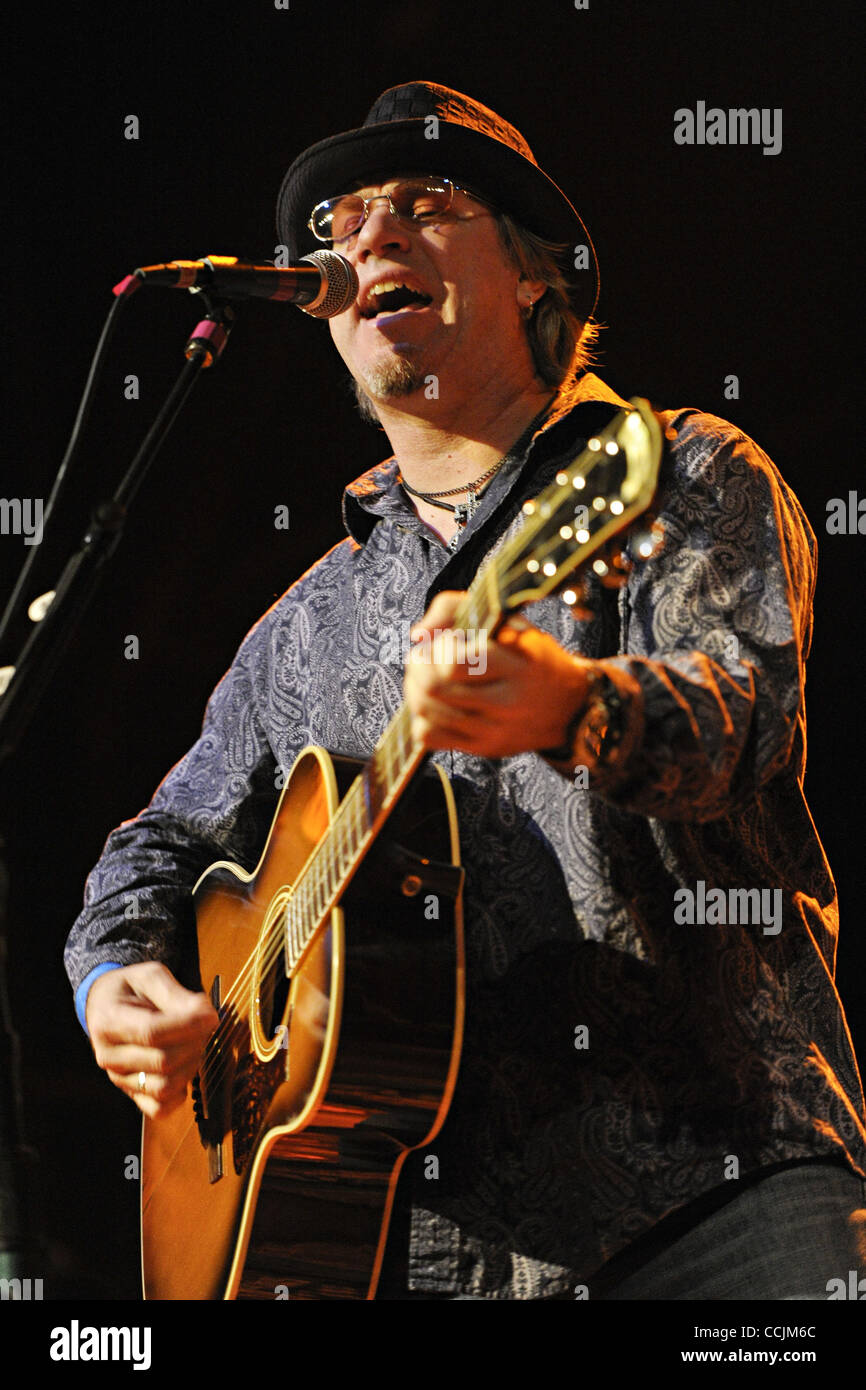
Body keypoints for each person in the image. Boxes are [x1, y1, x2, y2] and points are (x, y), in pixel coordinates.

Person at [65, 80, 866, 1300]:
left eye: (425, 205)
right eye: (339, 224)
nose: (369, 238)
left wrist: (571, 709)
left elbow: (735, 721)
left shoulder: (677, 470)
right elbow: (153, 845)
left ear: (539, 273)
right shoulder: (301, 624)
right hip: (420, 1246)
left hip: (716, 1186)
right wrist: (110, 981)